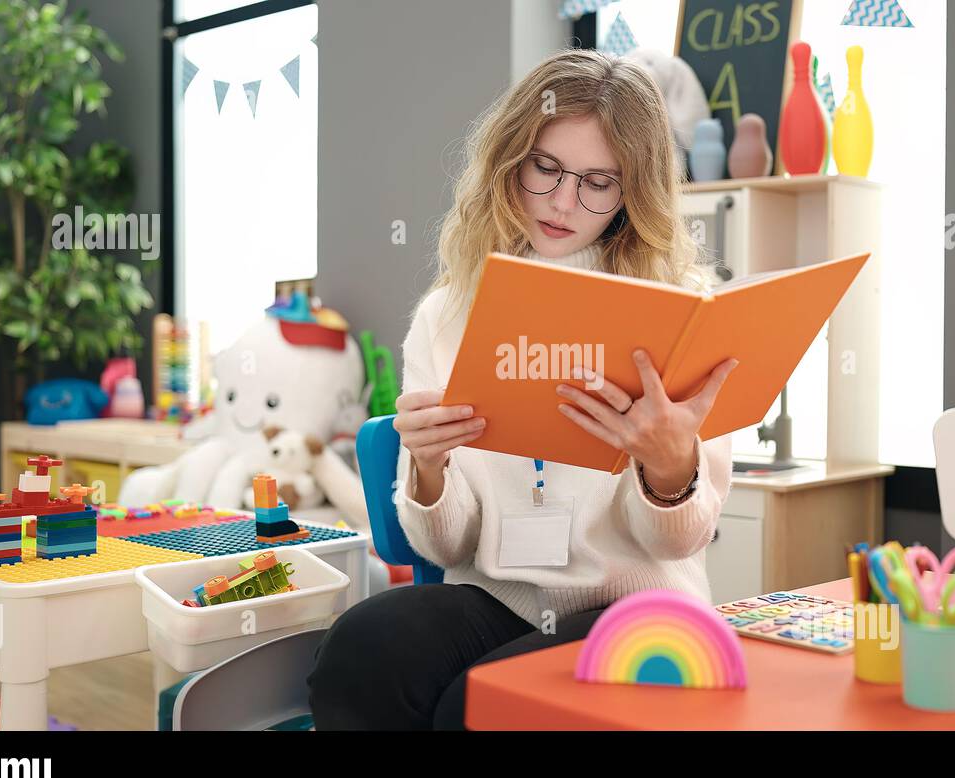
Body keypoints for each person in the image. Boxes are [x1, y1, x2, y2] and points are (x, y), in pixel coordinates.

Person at [308, 49, 736, 730]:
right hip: (500, 598)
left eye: (600, 181)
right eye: (547, 168)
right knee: (360, 651)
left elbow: (680, 541)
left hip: (636, 605)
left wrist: (670, 467)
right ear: (512, 159)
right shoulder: (445, 317)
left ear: (633, 193)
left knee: (472, 710)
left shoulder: (677, 312)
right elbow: (446, 548)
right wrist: (427, 468)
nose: (565, 202)